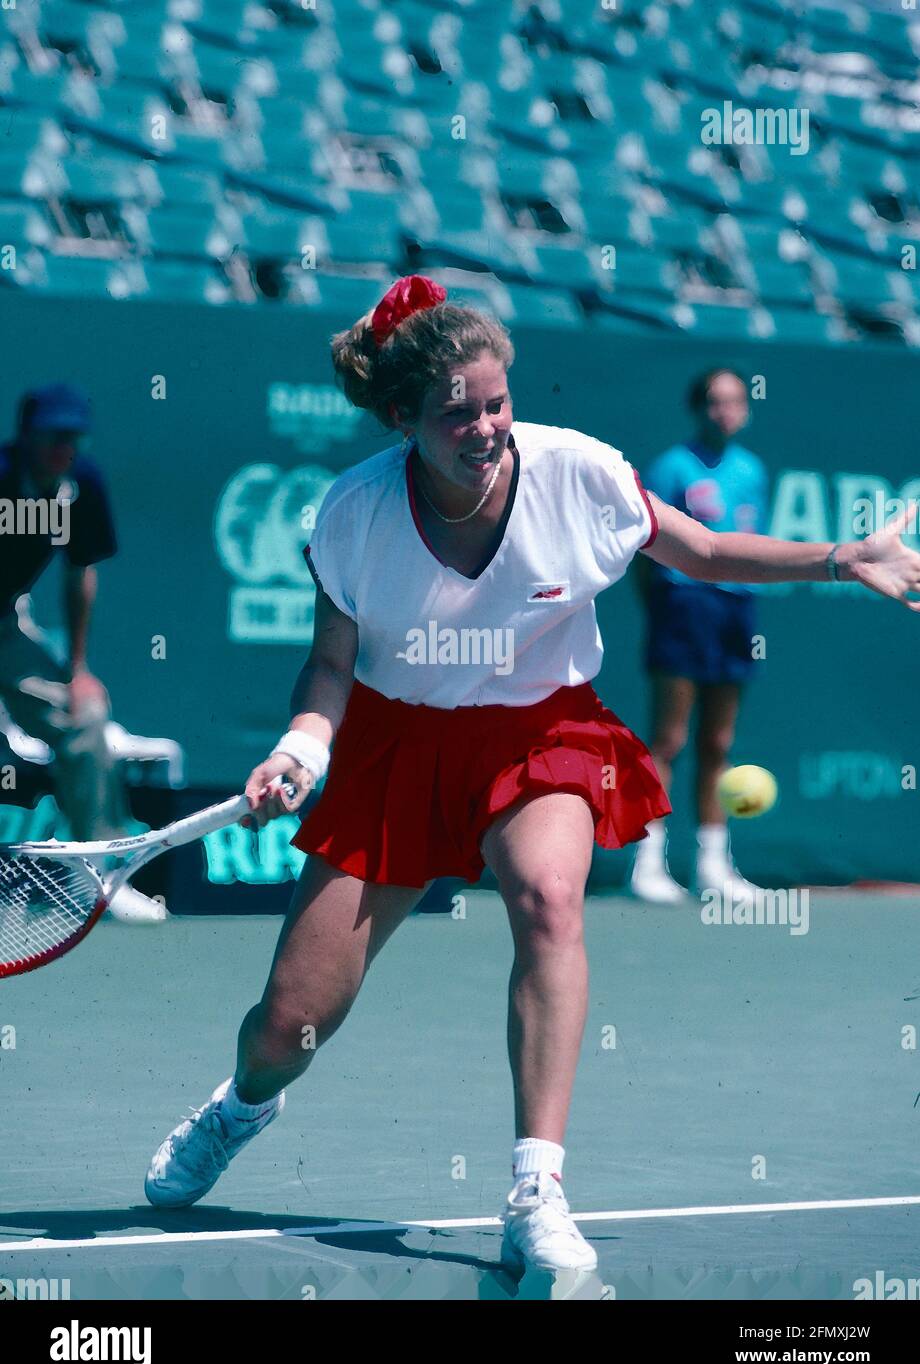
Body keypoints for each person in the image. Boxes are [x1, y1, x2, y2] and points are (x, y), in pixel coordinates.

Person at [145, 277, 920, 1277]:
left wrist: (836, 557)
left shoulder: (578, 474)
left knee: (551, 899)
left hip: (540, 730)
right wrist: (302, 745)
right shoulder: (351, 515)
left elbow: (705, 549)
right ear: (400, 419)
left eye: (495, 401)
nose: (484, 427)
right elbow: (330, 664)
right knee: (287, 1024)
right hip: (397, 744)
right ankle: (240, 1105)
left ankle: (533, 1190)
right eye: (455, 411)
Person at [0, 384, 163, 922]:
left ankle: (102, 878)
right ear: (26, 436)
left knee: (83, 716)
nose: (63, 447)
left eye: (73, 437)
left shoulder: (82, 484)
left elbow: (79, 573)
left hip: (5, 623)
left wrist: (78, 672)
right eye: (53, 435)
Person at [631, 368, 768, 905]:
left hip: (736, 609)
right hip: (683, 606)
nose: (726, 411)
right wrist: (665, 607)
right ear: (698, 407)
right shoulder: (670, 468)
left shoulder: (753, 470)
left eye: (735, 402)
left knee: (719, 742)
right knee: (669, 739)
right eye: (715, 401)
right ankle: (646, 863)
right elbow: (647, 550)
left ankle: (712, 866)